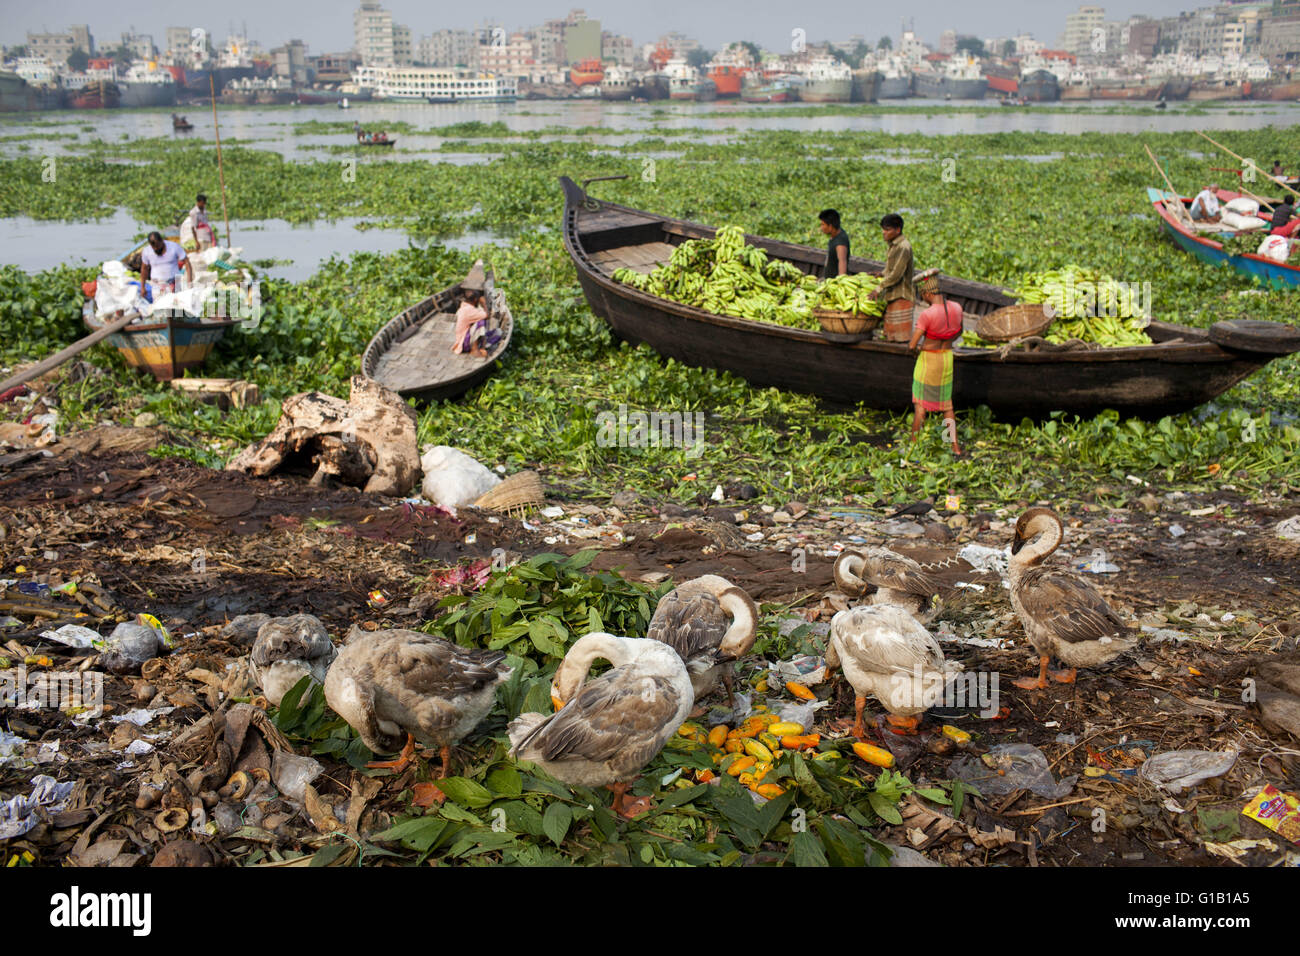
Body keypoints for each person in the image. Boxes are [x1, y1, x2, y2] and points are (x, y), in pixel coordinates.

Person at [906, 272, 964, 457]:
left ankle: (913, 446)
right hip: (947, 358)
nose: (923, 299)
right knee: (947, 406)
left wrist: (915, 350)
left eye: (922, 295)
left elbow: (912, 344)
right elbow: (959, 331)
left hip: (929, 360)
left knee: (921, 406)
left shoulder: (927, 314)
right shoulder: (957, 308)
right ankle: (954, 446)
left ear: (928, 293)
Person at [139, 230, 193, 300]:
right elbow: (144, 269)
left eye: (157, 246)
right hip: (157, 285)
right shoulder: (147, 251)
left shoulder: (174, 247)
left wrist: (189, 282)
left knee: (176, 306)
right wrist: (142, 287)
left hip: (175, 282)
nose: (156, 248)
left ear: (161, 240)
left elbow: (187, 263)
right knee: (158, 306)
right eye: (153, 247)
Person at [450, 288, 500, 358]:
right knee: (481, 322)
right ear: (476, 300)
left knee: (498, 332)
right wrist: (484, 303)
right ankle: (475, 350)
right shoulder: (469, 310)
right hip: (464, 343)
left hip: (465, 339)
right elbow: (487, 315)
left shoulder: (464, 306)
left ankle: (481, 345)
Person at [819, 208, 850, 277]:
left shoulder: (840, 242)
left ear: (830, 226)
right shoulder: (834, 235)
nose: (821, 227)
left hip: (834, 282)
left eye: (823, 224)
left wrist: (840, 282)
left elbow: (842, 262)